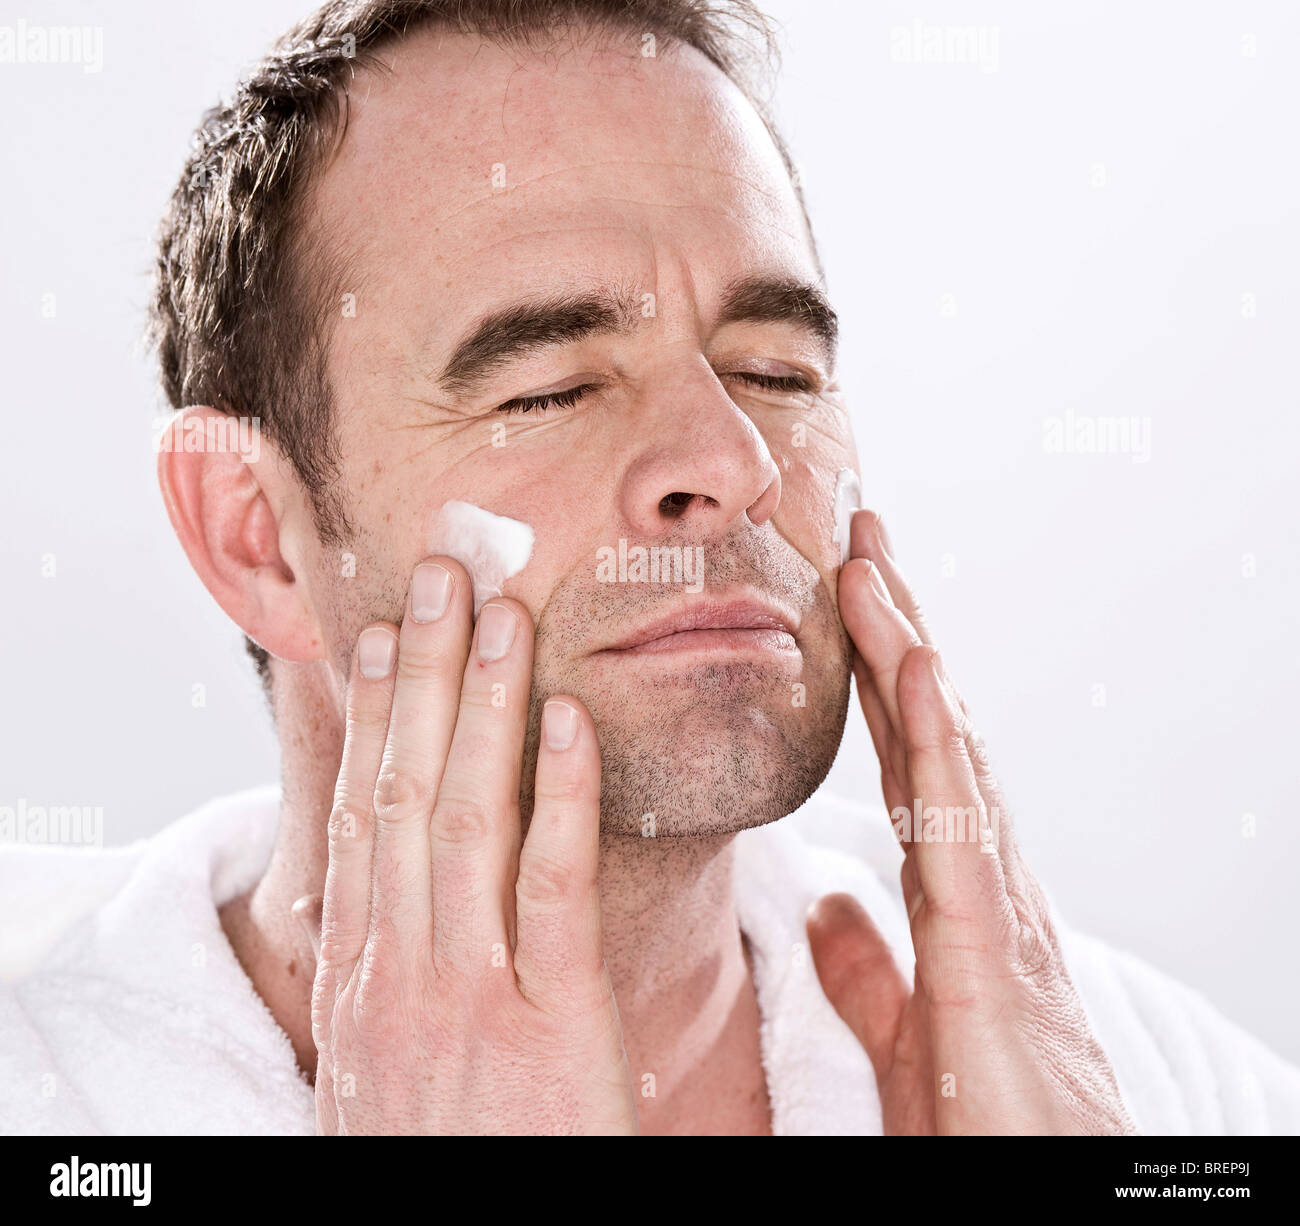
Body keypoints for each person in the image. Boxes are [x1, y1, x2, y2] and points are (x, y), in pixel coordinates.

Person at [2, 0, 1297, 1135]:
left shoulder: (1153, 1092)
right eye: (551, 388)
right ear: (259, 538)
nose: (733, 459)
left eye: (776, 371)